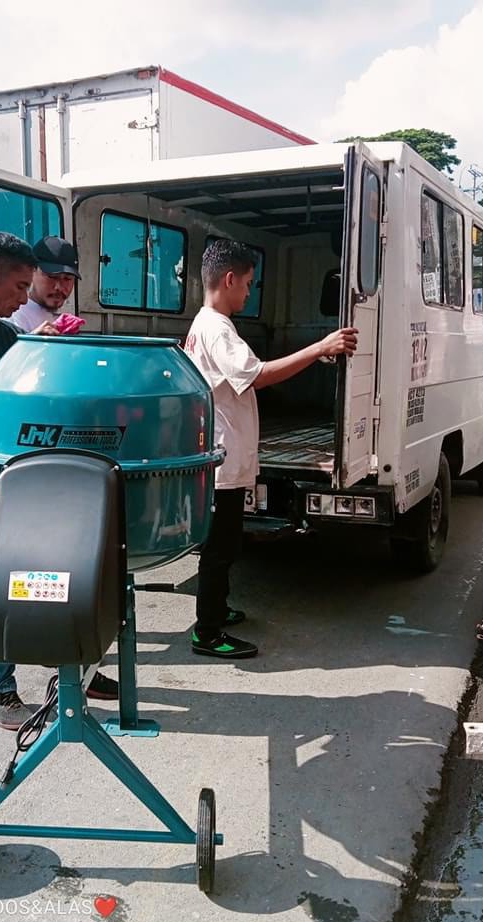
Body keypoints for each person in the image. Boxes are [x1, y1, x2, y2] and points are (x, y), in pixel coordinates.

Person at [0, 232, 117, 731]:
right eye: (17, 286)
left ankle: (73, 673)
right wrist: (20, 366)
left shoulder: (12, 336)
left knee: (50, 584)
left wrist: (44, 348)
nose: (21, 298)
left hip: (33, 488)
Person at [184, 239, 358, 660]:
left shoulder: (208, 325)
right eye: (247, 283)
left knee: (225, 544)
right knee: (221, 548)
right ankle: (206, 633)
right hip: (222, 461)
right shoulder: (216, 328)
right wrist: (319, 348)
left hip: (225, 455)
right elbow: (257, 375)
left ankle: (218, 610)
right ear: (228, 280)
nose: (248, 292)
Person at [10, 235, 81, 332]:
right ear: (32, 271)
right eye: (52, 277)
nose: (59, 287)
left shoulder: (61, 320)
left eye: (67, 279)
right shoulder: (14, 317)